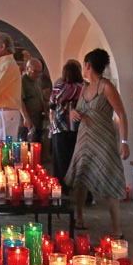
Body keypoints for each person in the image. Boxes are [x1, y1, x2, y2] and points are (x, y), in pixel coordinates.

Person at [65, 48, 130, 238]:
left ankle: (116, 228)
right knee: (81, 178)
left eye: (84, 65)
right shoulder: (85, 88)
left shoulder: (106, 87)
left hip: (103, 139)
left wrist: (124, 141)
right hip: (84, 139)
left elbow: (121, 113)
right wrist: (73, 113)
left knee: (109, 178)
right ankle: (79, 218)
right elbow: (78, 110)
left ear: (88, 65)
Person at [49, 59, 84, 187]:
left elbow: (52, 104)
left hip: (59, 127)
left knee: (60, 160)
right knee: (75, 159)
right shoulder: (84, 87)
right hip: (78, 127)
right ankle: (76, 186)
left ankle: (61, 188)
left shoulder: (58, 86)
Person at [19, 57, 47, 145]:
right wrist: (26, 117)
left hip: (38, 119)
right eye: (35, 71)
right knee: (26, 146)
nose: (38, 74)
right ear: (27, 69)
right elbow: (20, 100)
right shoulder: (22, 81)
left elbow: (40, 97)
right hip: (27, 122)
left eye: (40, 72)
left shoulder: (38, 80)